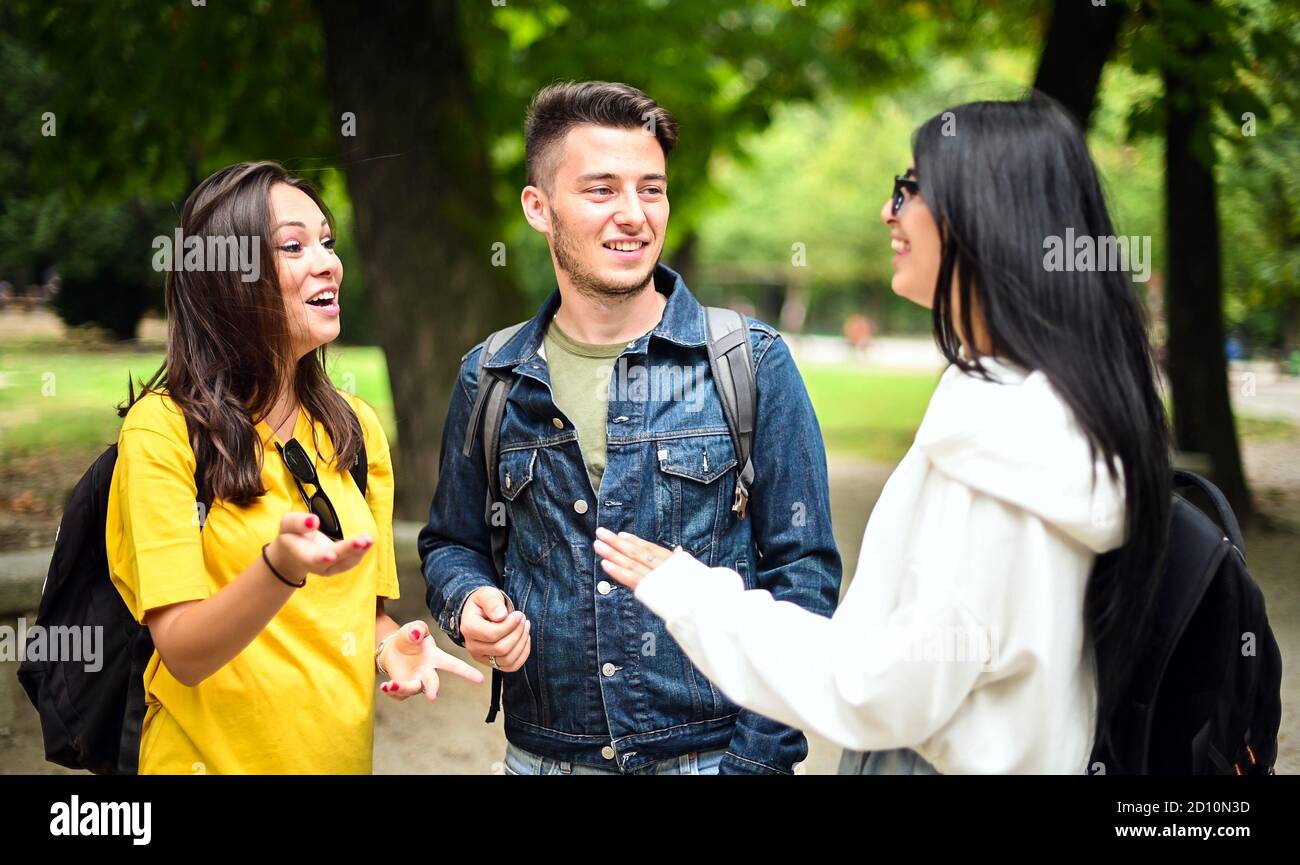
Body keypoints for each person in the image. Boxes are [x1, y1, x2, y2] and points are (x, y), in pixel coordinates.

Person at [594, 96, 1172, 774]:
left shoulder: (1008, 453)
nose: (887, 212)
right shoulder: (1034, 413)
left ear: (982, 210)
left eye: (908, 189)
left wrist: (695, 597)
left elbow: (881, 687)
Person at [419, 81, 842, 775]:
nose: (634, 215)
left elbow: (804, 579)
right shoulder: (490, 377)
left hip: (712, 760)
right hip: (543, 759)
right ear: (538, 206)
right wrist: (469, 601)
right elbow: (451, 542)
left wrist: (755, 763)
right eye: (601, 190)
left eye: (652, 189)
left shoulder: (749, 363)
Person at [109, 161, 481, 774]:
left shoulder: (354, 429)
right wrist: (278, 569)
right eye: (293, 246)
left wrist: (392, 646)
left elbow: (363, 613)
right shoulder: (163, 431)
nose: (328, 262)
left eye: (328, 242)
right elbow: (183, 652)